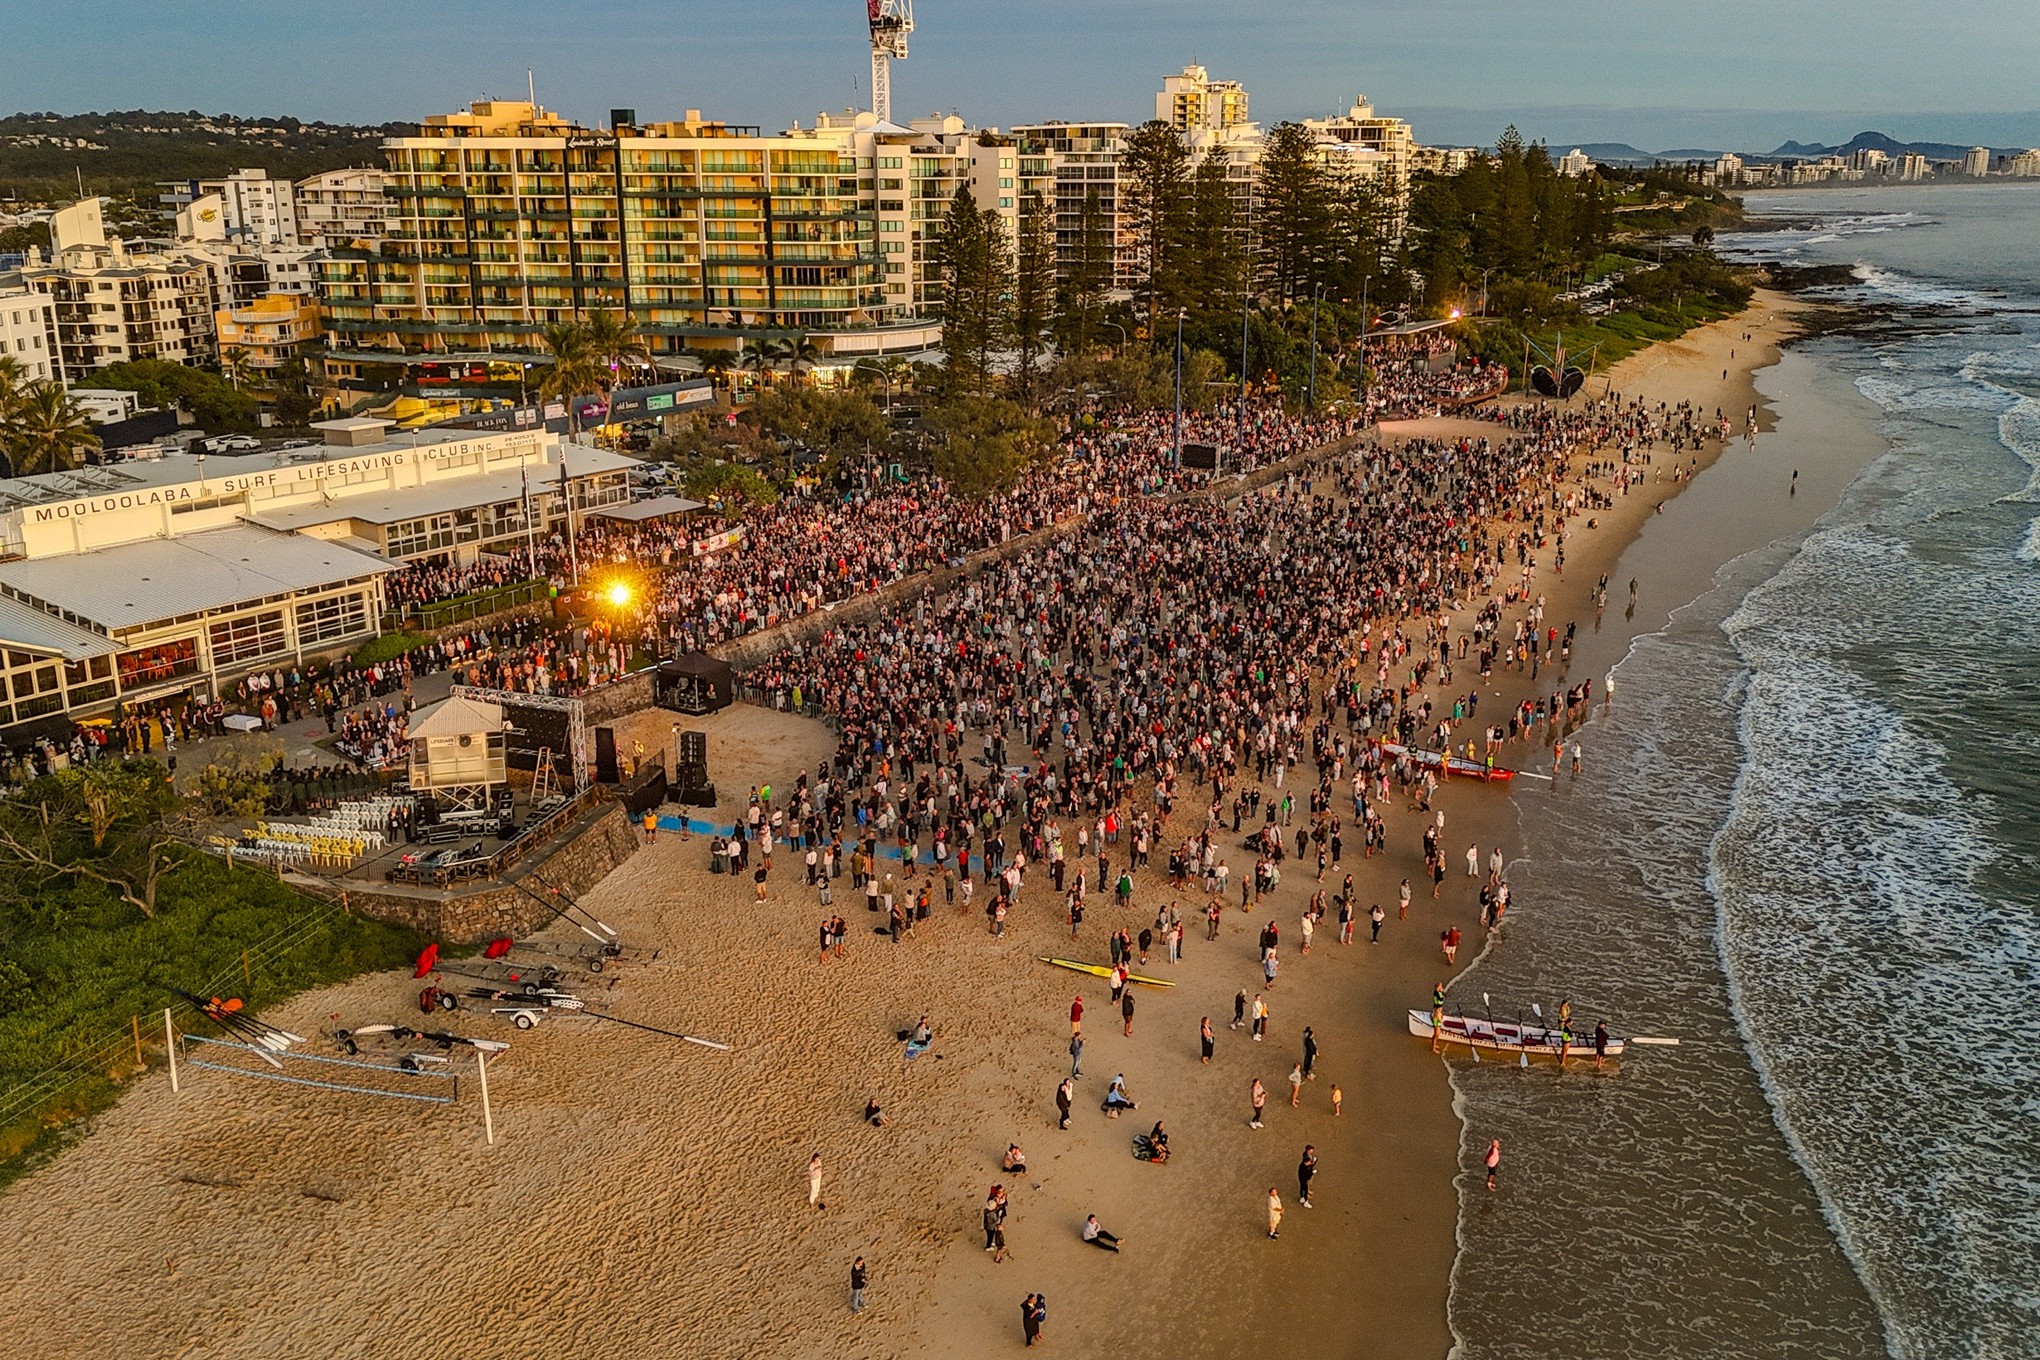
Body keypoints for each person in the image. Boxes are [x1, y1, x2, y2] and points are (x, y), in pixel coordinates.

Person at [984, 1186, 1008, 1262]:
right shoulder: (992, 1214)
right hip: (990, 1227)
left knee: (992, 1235)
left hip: (989, 1226)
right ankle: (988, 1246)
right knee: (990, 1236)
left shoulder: (987, 1211)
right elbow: (994, 1221)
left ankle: (991, 1244)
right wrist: (998, 1225)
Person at [1297, 1144, 1318, 1208]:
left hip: (1301, 1178)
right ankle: (1306, 1202)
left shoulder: (1302, 1165)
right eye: (1309, 1162)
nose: (1310, 1163)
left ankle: (1302, 1198)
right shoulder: (1306, 1168)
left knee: (1301, 1188)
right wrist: (1313, 1173)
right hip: (1304, 1179)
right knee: (1305, 1190)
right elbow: (1308, 1175)